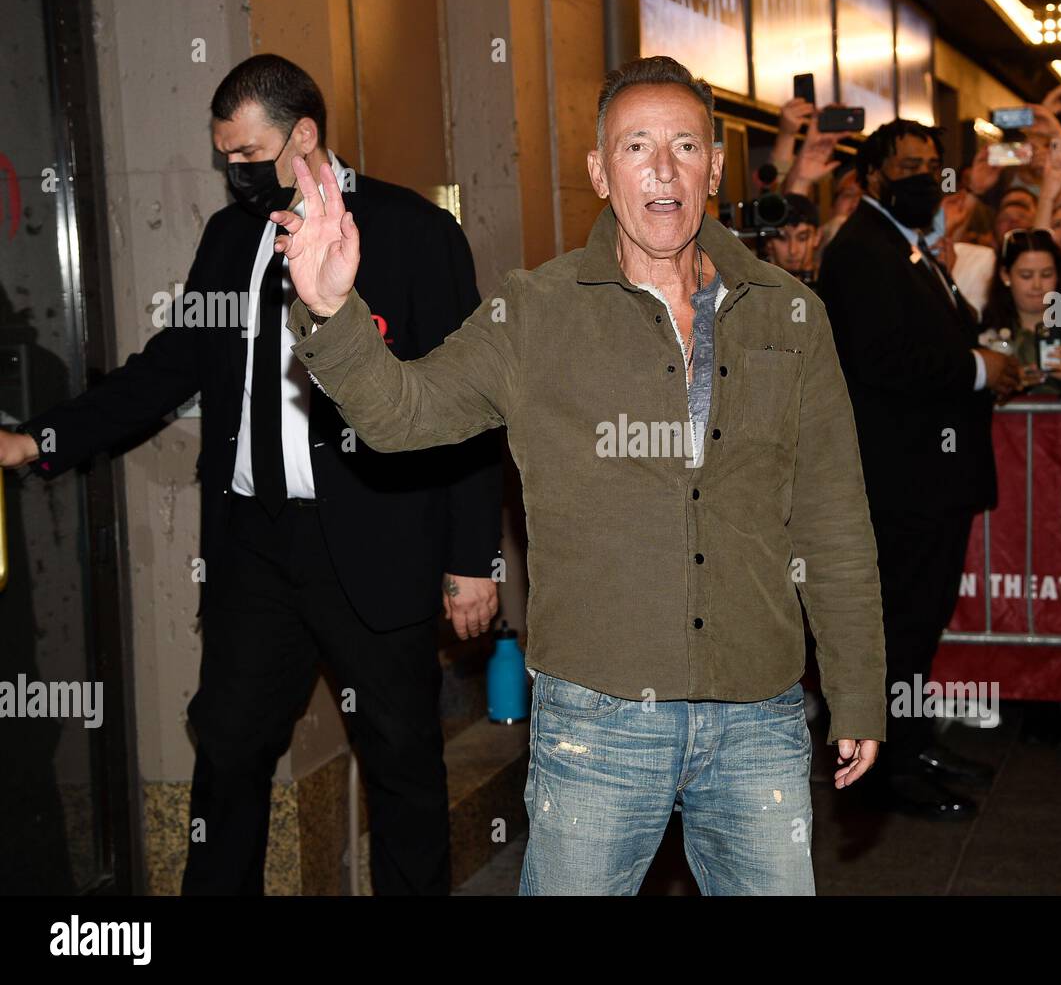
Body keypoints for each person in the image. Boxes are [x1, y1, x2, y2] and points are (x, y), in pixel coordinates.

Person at [273, 55, 887, 896]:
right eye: (637, 146)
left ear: (714, 165)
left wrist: (857, 689)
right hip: (597, 725)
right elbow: (400, 414)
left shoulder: (788, 313)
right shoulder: (534, 312)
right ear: (601, 173)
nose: (663, 169)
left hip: (758, 715)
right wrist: (333, 309)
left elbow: (833, 516)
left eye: (685, 145)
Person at [0, 54, 503, 894]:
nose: (232, 173)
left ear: (304, 136)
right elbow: (166, 369)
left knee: (403, 765)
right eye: (222, 156)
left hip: (375, 542)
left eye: (246, 154)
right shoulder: (230, 239)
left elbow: (472, 405)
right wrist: (40, 438)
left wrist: (470, 556)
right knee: (228, 754)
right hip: (252, 549)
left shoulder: (413, 232)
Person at [818, 119, 1022, 820]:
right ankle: (888, 767)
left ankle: (912, 740)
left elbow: (940, 328)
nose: (923, 179)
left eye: (933, 167)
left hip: (932, 476)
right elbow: (883, 362)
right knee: (899, 624)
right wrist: (978, 368)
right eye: (907, 166)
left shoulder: (907, 247)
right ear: (870, 177)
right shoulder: (861, 250)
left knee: (920, 622)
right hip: (900, 479)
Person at [980, 228, 1061, 398]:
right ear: (1006, 275)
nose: (1037, 285)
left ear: (1057, 275)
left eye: (1046, 274)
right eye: (1026, 275)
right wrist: (1005, 382)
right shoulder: (985, 336)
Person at [765, 193, 820, 285]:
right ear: (769, 241)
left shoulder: (833, 284)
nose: (793, 250)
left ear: (817, 237)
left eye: (802, 238)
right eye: (782, 238)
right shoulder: (755, 289)